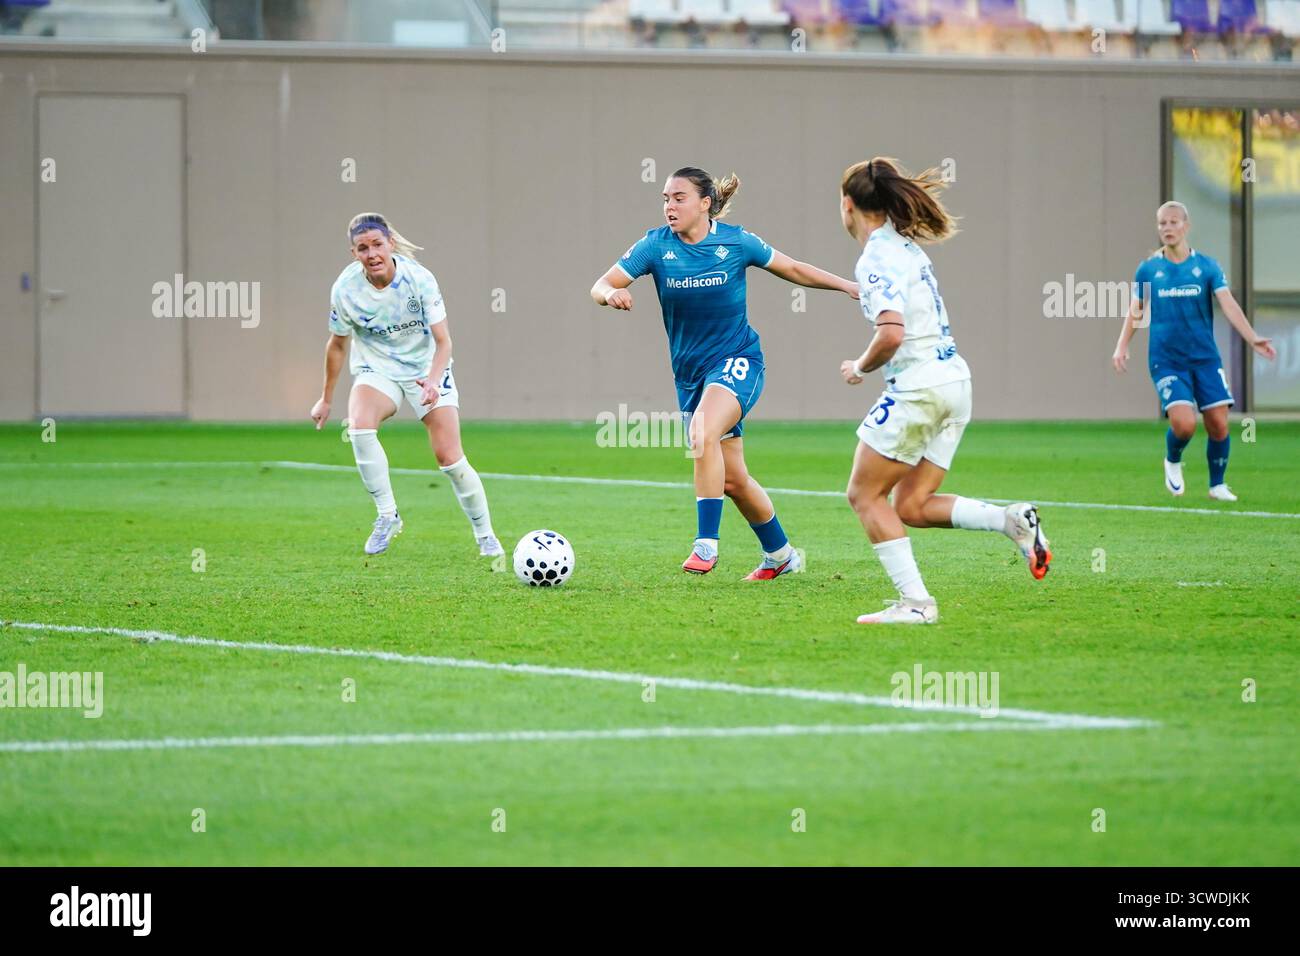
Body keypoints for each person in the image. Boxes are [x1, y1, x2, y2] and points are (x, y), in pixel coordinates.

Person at [590, 167, 858, 578]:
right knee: (733, 481)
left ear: (705, 203)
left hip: (738, 361)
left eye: (678, 198)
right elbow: (600, 284)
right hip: (690, 376)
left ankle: (705, 544)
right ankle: (781, 556)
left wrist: (849, 286)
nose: (669, 206)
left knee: (702, 433)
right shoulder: (654, 246)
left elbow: (795, 269)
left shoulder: (737, 241)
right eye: (665, 198)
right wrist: (612, 293)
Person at [838, 158, 1050, 625]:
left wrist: (859, 366)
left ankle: (916, 603)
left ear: (848, 204)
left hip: (919, 388)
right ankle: (1009, 521)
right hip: (955, 382)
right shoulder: (908, 248)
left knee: (863, 495)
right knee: (910, 505)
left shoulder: (875, 256)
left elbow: (891, 333)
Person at [310, 212, 502, 557]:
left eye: (377, 245)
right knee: (359, 426)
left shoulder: (420, 280)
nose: (372, 254)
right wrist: (325, 399)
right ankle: (387, 516)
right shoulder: (345, 291)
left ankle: (485, 535)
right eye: (362, 248)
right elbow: (337, 345)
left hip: (425, 369)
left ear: (391, 244)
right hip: (376, 369)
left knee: (450, 458)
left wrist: (431, 381)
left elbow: (444, 342)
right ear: (354, 253)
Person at [1113, 200, 1276, 501]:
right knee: (1184, 424)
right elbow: (1136, 310)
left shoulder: (1206, 267)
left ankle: (1217, 485)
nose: (1167, 228)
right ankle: (1173, 459)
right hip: (1167, 360)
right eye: (1162, 223)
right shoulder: (1149, 269)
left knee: (1218, 423)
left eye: (1174, 222)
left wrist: (1252, 338)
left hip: (1204, 359)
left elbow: (1228, 304)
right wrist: (1122, 345)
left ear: (1186, 226)